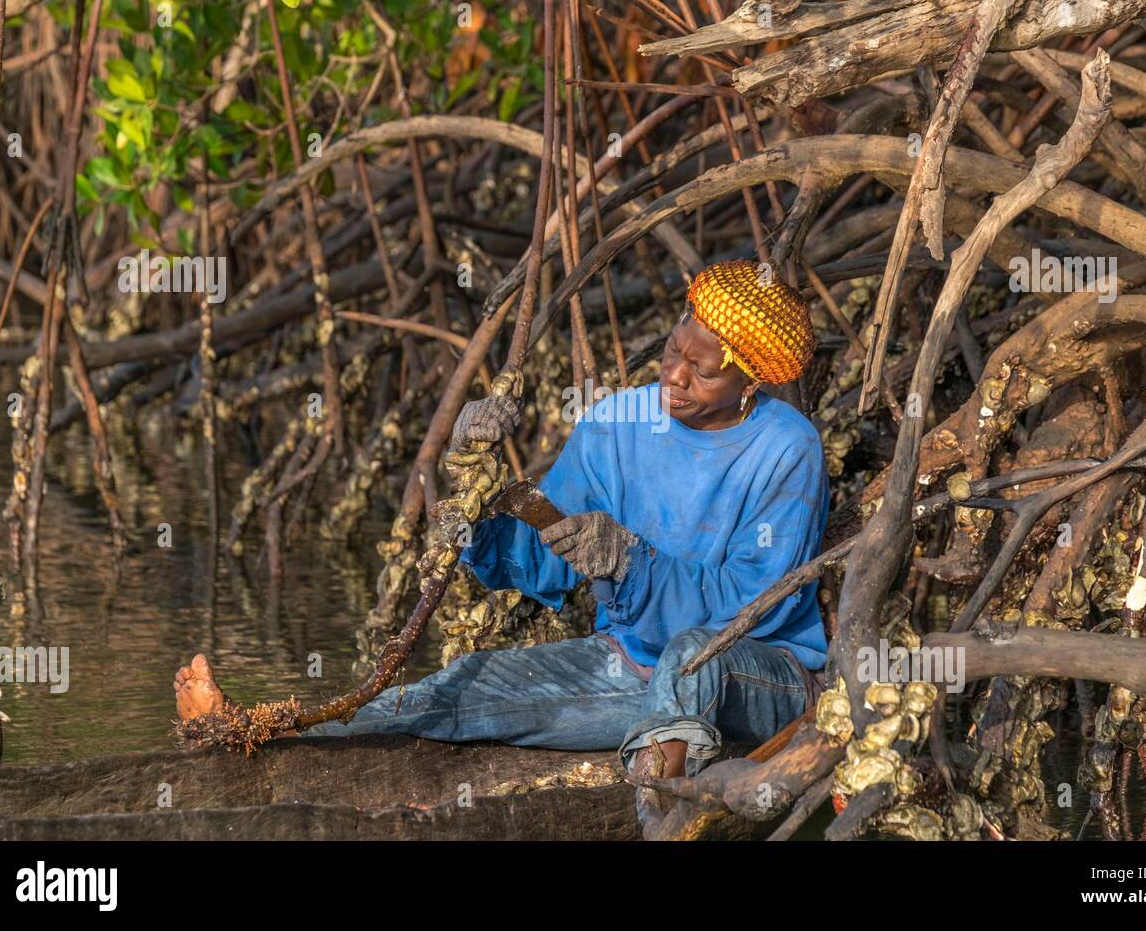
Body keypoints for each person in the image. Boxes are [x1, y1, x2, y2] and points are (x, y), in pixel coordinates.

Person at [174, 259, 830, 835]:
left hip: (760, 676)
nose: (675, 378)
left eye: (702, 370)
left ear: (749, 384)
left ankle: (664, 816)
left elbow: (755, 606)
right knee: (461, 685)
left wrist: (632, 563)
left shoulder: (788, 448)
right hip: (630, 667)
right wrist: (472, 481)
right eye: (672, 352)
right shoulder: (618, 424)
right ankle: (251, 729)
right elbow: (533, 562)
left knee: (693, 657)